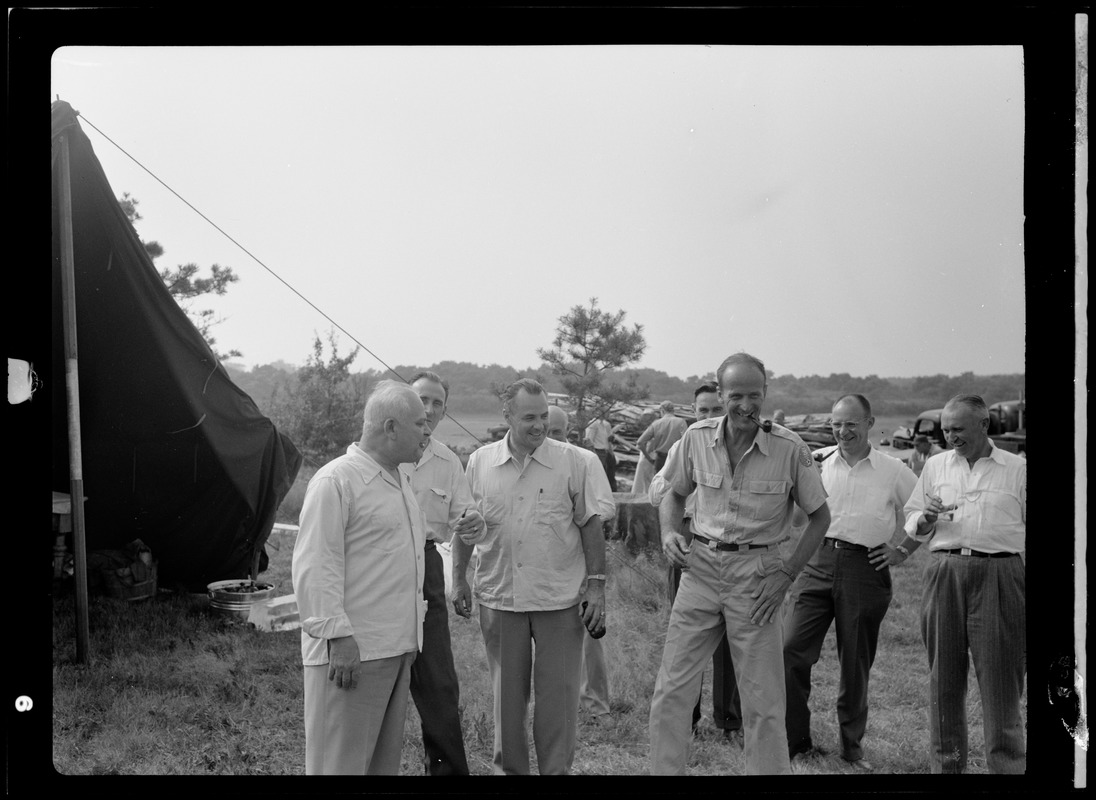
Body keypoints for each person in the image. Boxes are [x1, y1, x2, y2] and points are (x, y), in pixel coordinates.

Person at [649, 353, 831, 775]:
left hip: (758, 578)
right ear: (720, 394)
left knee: (763, 701)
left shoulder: (789, 448)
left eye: (754, 395)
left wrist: (786, 574)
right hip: (700, 570)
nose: (746, 405)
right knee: (672, 690)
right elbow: (674, 493)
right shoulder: (695, 438)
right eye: (736, 396)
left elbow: (820, 517)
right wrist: (669, 532)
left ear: (765, 393)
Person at [451, 378, 608, 775]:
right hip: (501, 597)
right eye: (529, 418)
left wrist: (596, 587)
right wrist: (458, 578)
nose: (539, 426)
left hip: (559, 600)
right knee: (507, 702)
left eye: (543, 417)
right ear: (507, 416)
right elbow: (465, 524)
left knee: (559, 702)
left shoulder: (574, 462)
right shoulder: (480, 462)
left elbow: (591, 525)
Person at [292, 380, 430, 775]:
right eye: (420, 423)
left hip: (394, 649)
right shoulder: (336, 481)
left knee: (379, 767)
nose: (427, 432)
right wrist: (338, 637)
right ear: (391, 427)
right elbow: (316, 565)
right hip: (352, 654)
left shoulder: (398, 480)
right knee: (339, 765)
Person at [782, 394, 920, 771]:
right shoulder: (817, 461)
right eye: (836, 424)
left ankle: (851, 748)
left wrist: (902, 550)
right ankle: (796, 743)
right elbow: (796, 518)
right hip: (817, 561)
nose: (843, 431)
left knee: (855, 662)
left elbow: (923, 509)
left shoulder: (893, 469)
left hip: (865, 567)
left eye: (851, 424)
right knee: (790, 650)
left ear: (870, 424)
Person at [902, 394, 1026, 774]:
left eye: (958, 429)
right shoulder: (935, 466)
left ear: (984, 425)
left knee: (1002, 684)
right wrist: (925, 518)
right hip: (945, 574)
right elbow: (914, 518)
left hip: (999, 575)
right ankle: (948, 769)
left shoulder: (1017, 469)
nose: (950, 437)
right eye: (945, 430)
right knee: (944, 682)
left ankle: (1007, 769)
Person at [400, 371, 487, 775]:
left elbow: (466, 520)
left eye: (438, 403)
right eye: (423, 400)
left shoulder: (448, 461)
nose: (430, 410)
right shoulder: (383, 451)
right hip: (379, 564)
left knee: (438, 680)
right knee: (376, 672)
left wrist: (474, 524)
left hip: (427, 566)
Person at [649, 383, 743, 746]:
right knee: (687, 636)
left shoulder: (739, 446)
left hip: (731, 546)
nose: (709, 416)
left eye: (714, 409)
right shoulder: (684, 445)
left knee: (730, 636)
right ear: (692, 411)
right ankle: (686, 718)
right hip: (690, 540)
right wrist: (683, 492)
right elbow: (657, 492)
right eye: (702, 410)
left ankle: (729, 720)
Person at [548, 406, 616, 720]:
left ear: (569, 433)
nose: (549, 437)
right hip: (541, 565)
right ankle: (558, 703)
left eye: (556, 432)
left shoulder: (584, 460)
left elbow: (605, 507)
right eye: (545, 430)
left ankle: (596, 706)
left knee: (589, 631)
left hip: (578, 560)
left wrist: (574, 516)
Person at [636, 400, 688, 473]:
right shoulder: (681, 422)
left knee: (659, 480)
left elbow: (640, 442)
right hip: (676, 459)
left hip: (660, 459)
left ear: (662, 410)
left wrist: (649, 458)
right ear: (673, 410)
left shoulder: (656, 424)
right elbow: (687, 442)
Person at [584, 413, 619, 492]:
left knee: (609, 476)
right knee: (600, 477)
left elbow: (608, 440)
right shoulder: (593, 424)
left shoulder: (606, 424)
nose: (608, 413)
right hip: (598, 452)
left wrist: (611, 453)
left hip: (606, 452)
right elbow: (589, 440)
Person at [630, 410, 659, 495]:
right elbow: (641, 444)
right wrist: (648, 456)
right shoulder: (651, 429)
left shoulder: (652, 428)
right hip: (647, 457)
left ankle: (644, 495)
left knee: (645, 479)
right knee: (644, 479)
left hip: (647, 457)